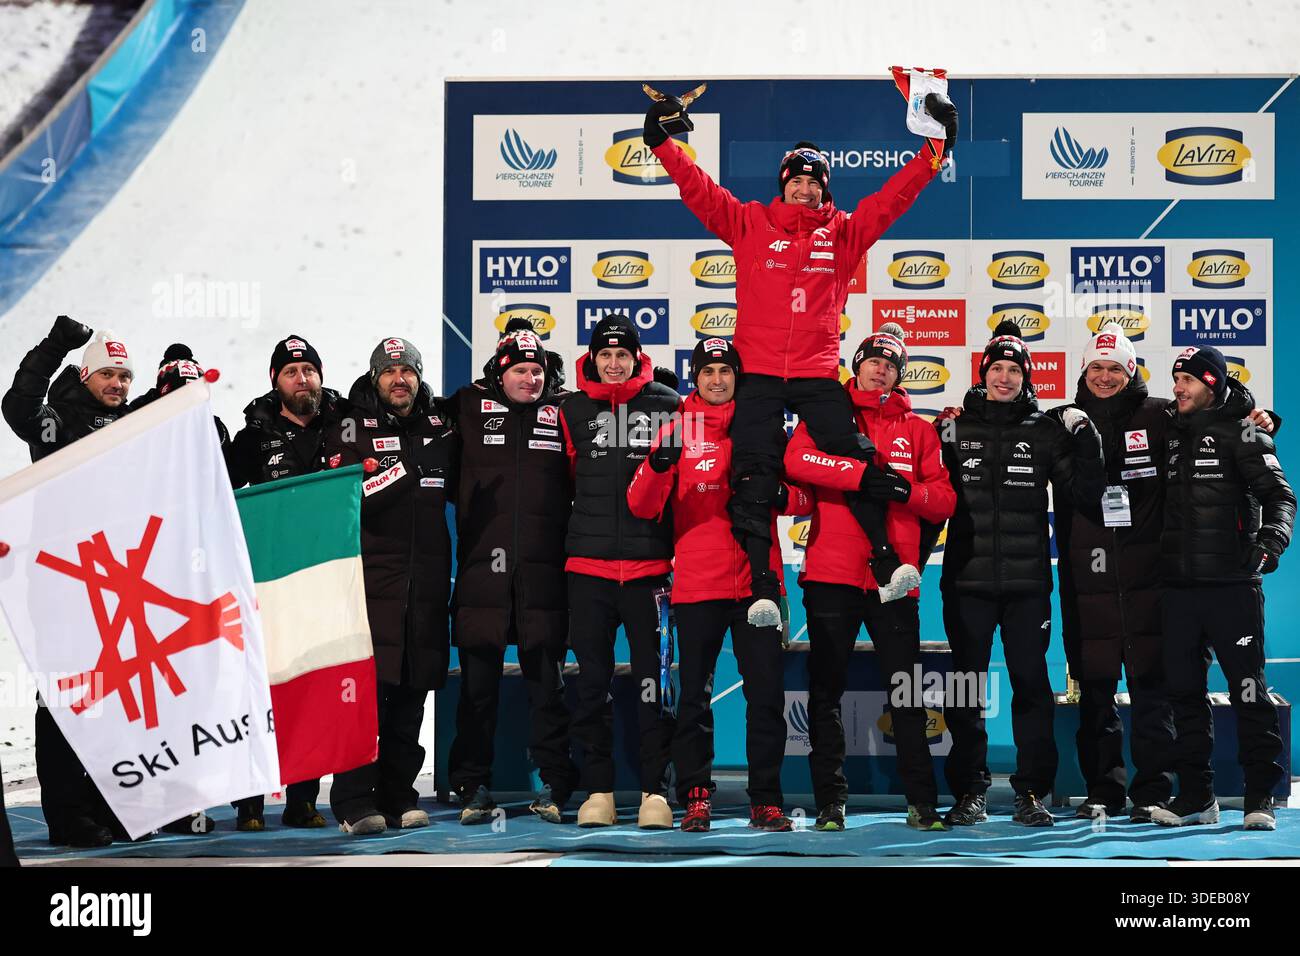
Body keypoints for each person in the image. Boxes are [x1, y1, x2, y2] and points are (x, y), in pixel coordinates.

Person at [644, 91, 958, 624]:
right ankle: (764, 587)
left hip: (816, 371)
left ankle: (886, 565)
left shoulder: (844, 233)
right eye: (797, 181)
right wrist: (661, 143)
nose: (806, 189)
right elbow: (699, 192)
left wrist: (935, 149)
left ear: (824, 189)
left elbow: (893, 198)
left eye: (815, 182)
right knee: (752, 473)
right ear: (783, 184)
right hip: (760, 372)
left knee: (859, 459)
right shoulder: (748, 223)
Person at [1054, 326, 1277, 823]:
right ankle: (1137, 794)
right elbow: (1012, 432)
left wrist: (1254, 413)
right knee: (1119, 693)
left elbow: (1224, 414)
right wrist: (963, 413)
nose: (1105, 376)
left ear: (1131, 372)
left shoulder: (1162, 417)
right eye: (1097, 367)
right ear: (1084, 372)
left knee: (1185, 691)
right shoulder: (1064, 422)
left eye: (1116, 368)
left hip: (1178, 583)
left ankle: (1210, 793)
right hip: (1106, 583)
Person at [782, 323, 957, 831]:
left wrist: (902, 490)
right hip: (832, 573)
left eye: (892, 363)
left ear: (901, 375)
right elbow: (798, 461)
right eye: (873, 359)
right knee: (825, 692)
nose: (881, 367)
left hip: (894, 580)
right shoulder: (829, 417)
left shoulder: (919, 430)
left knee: (905, 692)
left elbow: (943, 500)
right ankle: (830, 804)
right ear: (857, 365)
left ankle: (921, 803)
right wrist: (859, 475)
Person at [628, 337, 804, 832]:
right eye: (708, 372)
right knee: (694, 699)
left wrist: (782, 492)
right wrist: (658, 466)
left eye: (726, 371)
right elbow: (641, 505)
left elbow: (806, 499)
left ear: (737, 378)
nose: (718, 379)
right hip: (698, 584)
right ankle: (696, 798)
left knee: (767, 697)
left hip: (760, 585)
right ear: (696, 379)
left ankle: (765, 801)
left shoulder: (766, 429)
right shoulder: (677, 427)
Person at [935, 321, 1105, 828]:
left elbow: (1084, 497)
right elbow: (927, 500)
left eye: (1014, 370)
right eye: (996, 369)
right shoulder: (952, 428)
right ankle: (970, 792)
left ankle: (1032, 792)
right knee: (966, 687)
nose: (1005, 378)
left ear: (1026, 378)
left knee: (1031, 686)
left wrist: (1089, 440)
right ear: (983, 373)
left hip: (1028, 585)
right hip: (966, 584)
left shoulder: (1046, 430)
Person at [2, 318, 134, 847]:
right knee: (64, 699)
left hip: (119, 582)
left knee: (119, 698)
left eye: (125, 376)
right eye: (108, 374)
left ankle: (109, 803)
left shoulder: (133, 424)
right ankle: (67, 813)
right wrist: (56, 344)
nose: (118, 385)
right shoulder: (56, 421)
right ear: (84, 374)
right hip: (60, 582)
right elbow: (17, 405)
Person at [1152, 346, 1294, 831]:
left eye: (1187, 380)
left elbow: (1280, 496)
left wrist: (1270, 544)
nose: (1177, 387)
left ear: (1211, 384)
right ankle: (1196, 797)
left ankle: (1261, 797)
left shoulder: (1247, 429)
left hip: (1232, 586)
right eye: (1175, 379)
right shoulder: (1167, 428)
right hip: (1177, 589)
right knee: (1184, 696)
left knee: (1249, 692)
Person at [445, 327, 579, 824]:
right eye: (520, 370)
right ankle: (472, 785)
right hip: (484, 573)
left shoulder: (565, 411)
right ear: (500, 374)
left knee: (548, 686)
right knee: (478, 689)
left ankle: (553, 781)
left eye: (537, 370)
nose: (529, 378)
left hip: (544, 577)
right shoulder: (464, 407)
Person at [324, 337, 455, 834]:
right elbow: (348, 497)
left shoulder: (440, 424)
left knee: (410, 697)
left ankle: (400, 796)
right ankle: (355, 802)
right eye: (389, 371)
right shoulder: (350, 424)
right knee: (365, 700)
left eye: (408, 371)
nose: (399, 380)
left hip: (423, 588)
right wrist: (405, 472)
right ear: (375, 377)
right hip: (369, 589)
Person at [559, 313, 681, 828]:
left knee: (654, 682)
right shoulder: (570, 409)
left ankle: (656, 791)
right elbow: (565, 478)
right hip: (587, 569)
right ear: (591, 357)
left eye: (622, 355)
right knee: (592, 683)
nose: (613, 364)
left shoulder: (668, 405)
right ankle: (599, 792)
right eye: (604, 355)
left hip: (650, 569)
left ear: (637, 356)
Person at [223, 334, 345, 830]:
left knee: (312, 688)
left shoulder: (345, 424)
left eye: (309, 370)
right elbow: (223, 498)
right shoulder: (251, 435)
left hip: (327, 577)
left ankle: (303, 799)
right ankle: (249, 801)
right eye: (291, 371)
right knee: (258, 690)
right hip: (267, 582)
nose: (302, 379)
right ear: (275, 380)